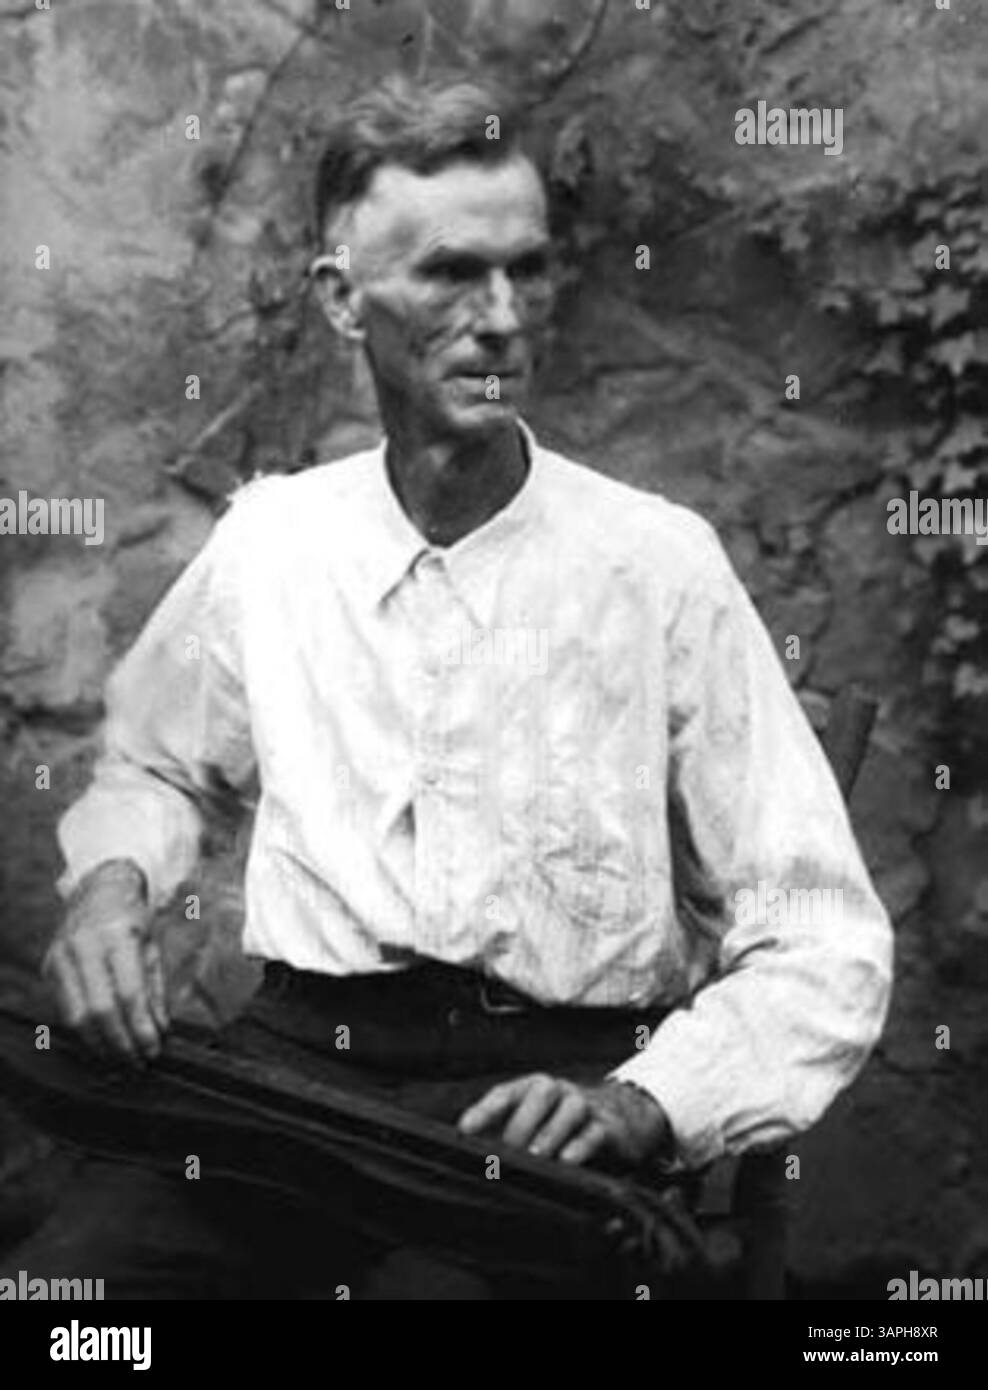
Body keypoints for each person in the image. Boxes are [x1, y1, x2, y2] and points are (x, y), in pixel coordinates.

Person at [7, 76, 892, 1299]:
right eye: (447, 275)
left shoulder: (655, 566)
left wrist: (646, 1099)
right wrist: (110, 891)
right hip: (294, 1085)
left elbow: (821, 932)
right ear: (339, 299)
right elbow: (155, 762)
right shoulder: (275, 542)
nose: (499, 318)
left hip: (544, 1110)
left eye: (524, 272)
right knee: (69, 1307)